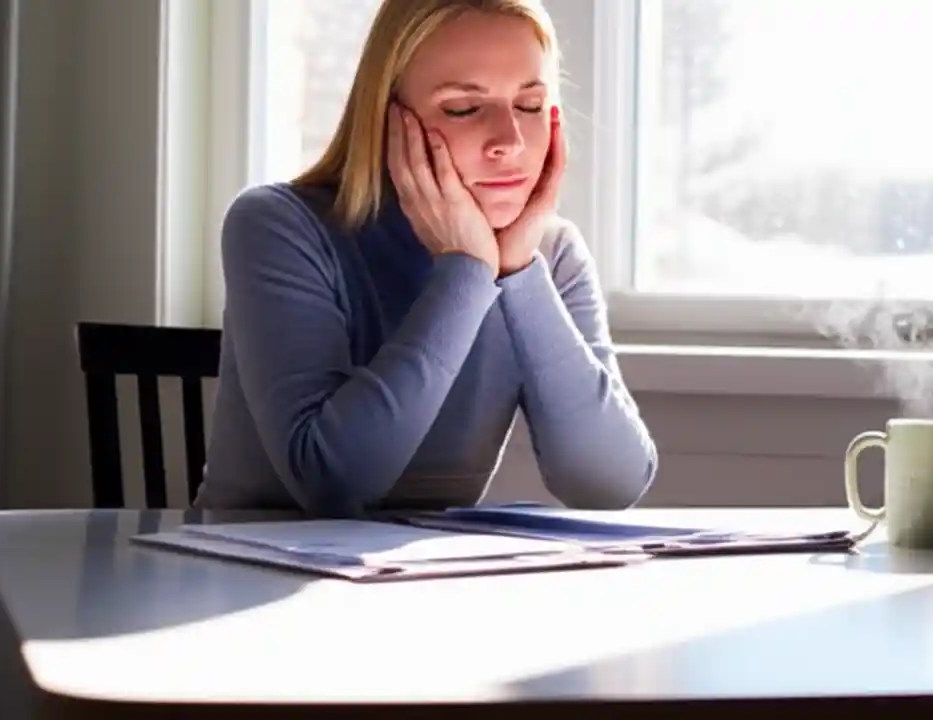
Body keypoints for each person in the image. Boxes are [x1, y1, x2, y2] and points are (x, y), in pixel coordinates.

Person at [195, 0, 657, 516]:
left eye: (529, 105)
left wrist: (518, 273)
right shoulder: (276, 224)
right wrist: (466, 270)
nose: (511, 140)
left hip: (422, 582)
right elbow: (331, 484)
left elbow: (611, 485)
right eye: (463, 108)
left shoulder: (549, 254)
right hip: (245, 576)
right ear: (389, 119)